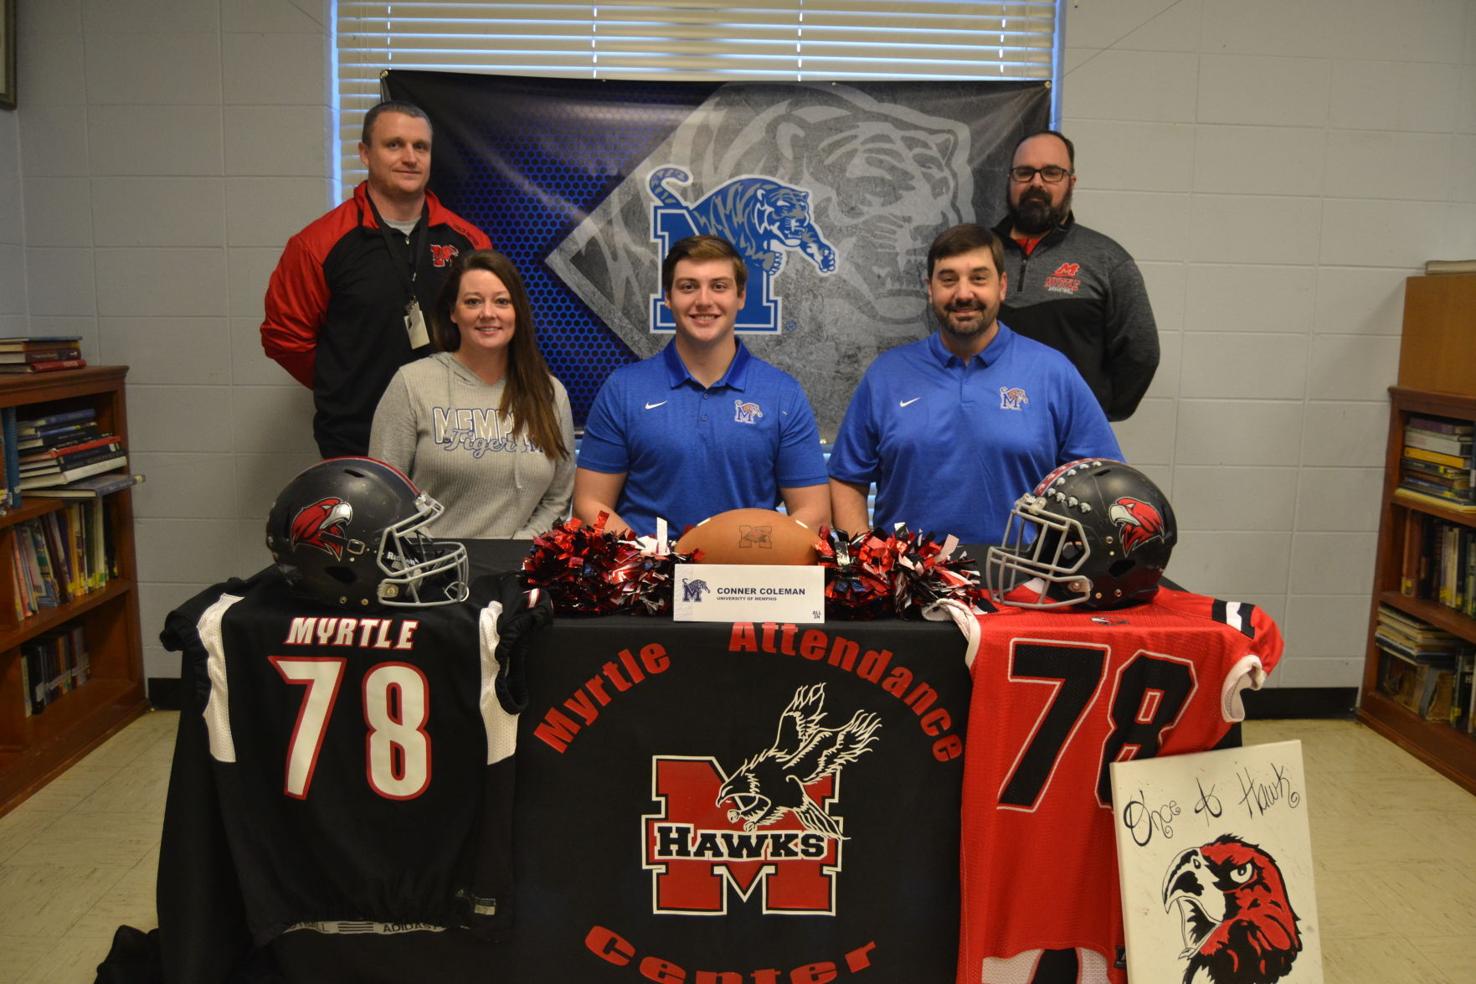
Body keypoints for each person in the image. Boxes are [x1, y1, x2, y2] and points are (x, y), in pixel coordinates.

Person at [827, 223, 1122, 544]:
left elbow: (1101, 481)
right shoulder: (886, 374)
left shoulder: (1053, 372)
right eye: (948, 279)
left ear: (1002, 286)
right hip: (909, 573)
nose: (964, 294)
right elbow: (847, 478)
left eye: (979, 278)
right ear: (930, 289)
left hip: (1019, 572)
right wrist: (865, 557)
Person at [261, 100, 492, 458]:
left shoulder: (469, 242)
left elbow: (489, 331)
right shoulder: (317, 244)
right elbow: (285, 339)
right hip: (357, 438)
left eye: (421, 147)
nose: (410, 158)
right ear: (365, 154)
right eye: (394, 145)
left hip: (453, 437)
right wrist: (344, 384)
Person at [574, 234, 829, 537]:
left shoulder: (783, 395)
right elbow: (590, 504)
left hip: (747, 565)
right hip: (645, 565)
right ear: (668, 297)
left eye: (719, 286)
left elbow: (814, 513)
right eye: (688, 287)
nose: (704, 300)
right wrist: (647, 557)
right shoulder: (623, 389)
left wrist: (747, 551)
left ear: (741, 297)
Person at [369, 250, 574, 539]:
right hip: (431, 562)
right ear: (453, 312)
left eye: (501, 301)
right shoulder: (412, 384)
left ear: (517, 311)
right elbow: (383, 495)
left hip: (518, 563)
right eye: (473, 302)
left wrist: (517, 550)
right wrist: (430, 553)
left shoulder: (549, 393)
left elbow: (558, 498)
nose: (488, 313)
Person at [992, 129, 1159, 422]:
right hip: (984, 426)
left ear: (1071, 181)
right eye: (1025, 172)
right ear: (1010, 179)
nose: (1036, 183)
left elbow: (1141, 352)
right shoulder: (977, 252)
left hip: (1068, 434)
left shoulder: (1107, 259)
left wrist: (1096, 410)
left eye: (1051, 173)